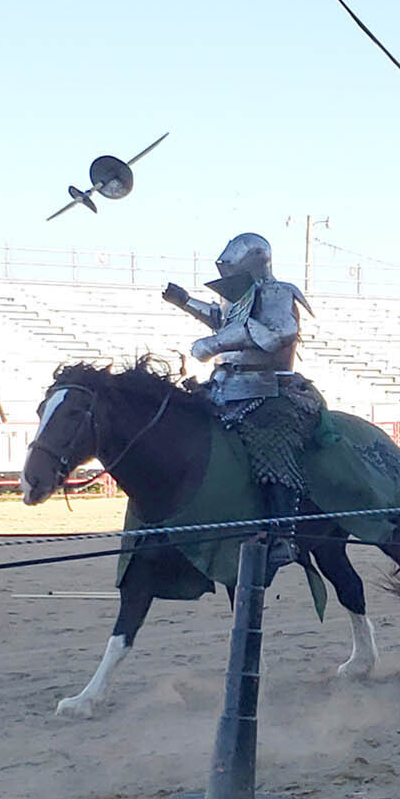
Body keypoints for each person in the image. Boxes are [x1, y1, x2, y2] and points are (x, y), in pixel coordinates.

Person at [163, 232, 321, 564]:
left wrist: (216, 344)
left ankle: (284, 535)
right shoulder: (239, 296)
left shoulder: (278, 292)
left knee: (272, 444)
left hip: (269, 386)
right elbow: (222, 319)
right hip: (224, 383)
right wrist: (185, 301)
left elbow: (279, 333)